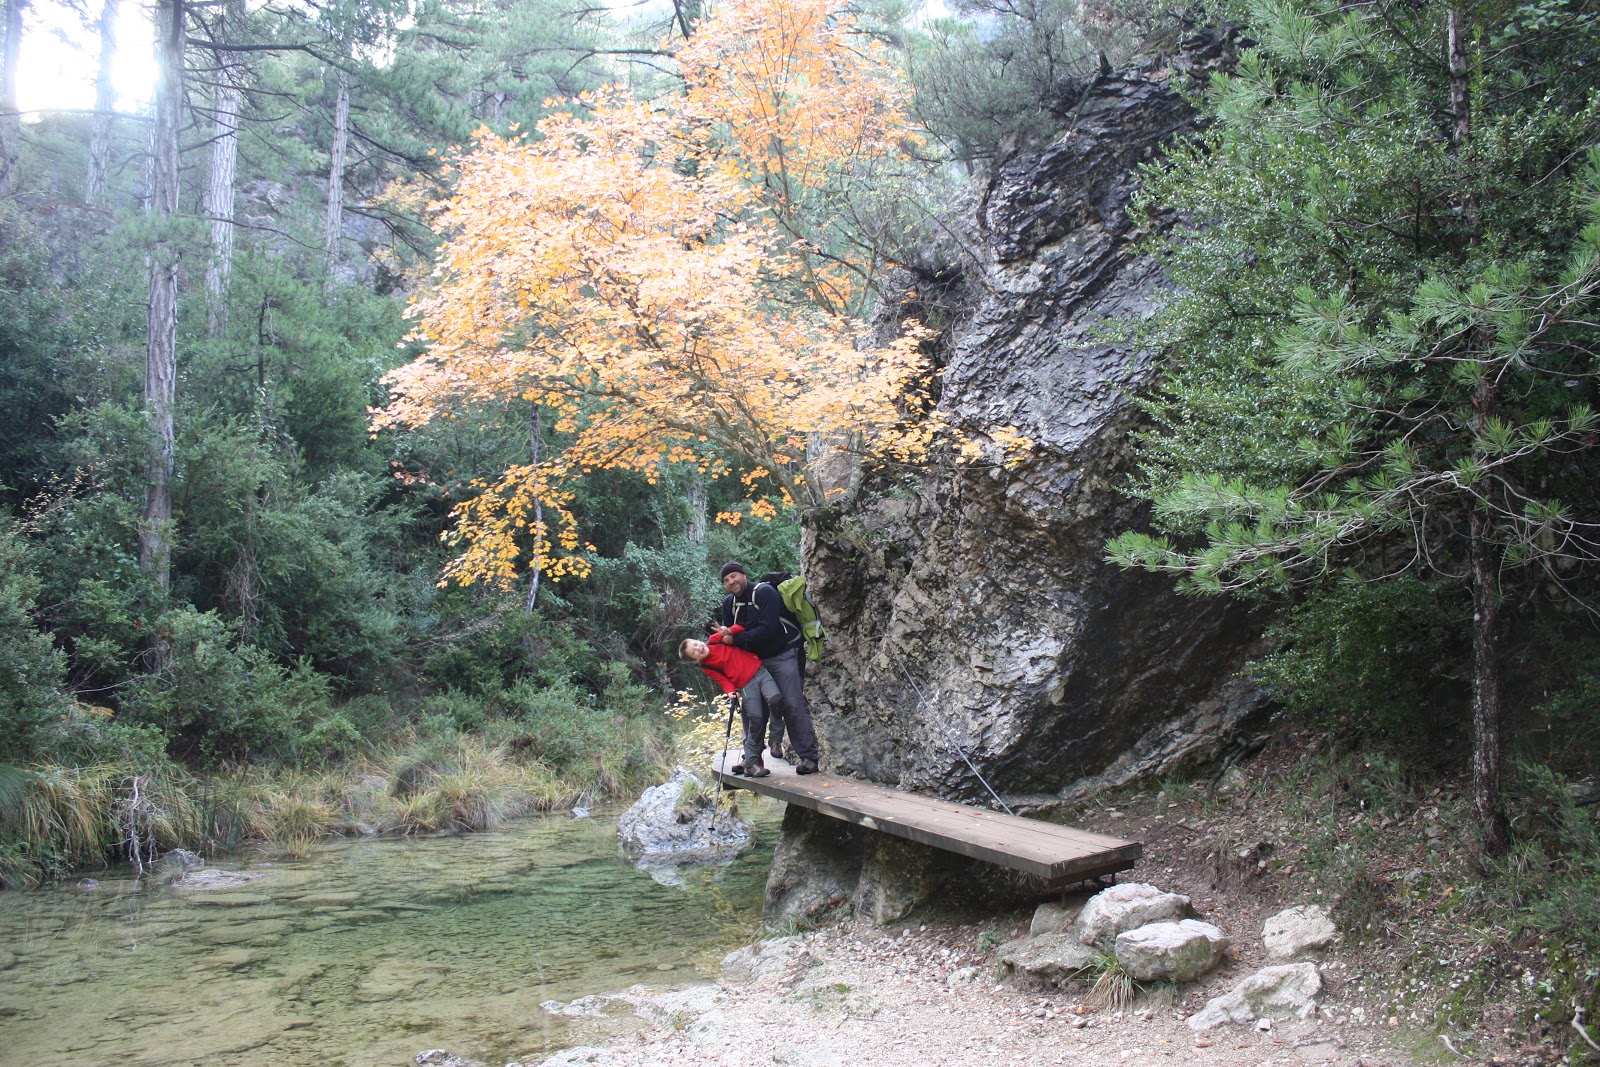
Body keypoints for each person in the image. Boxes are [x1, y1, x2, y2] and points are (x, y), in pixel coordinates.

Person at [715, 562, 821, 774]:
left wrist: (735, 641)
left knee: (792, 704)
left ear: (744, 575)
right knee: (752, 710)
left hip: (782, 655)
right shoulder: (729, 603)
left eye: (734, 576)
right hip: (752, 663)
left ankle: (809, 758)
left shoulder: (764, 592)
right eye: (726, 580)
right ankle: (752, 760)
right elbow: (728, 636)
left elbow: (768, 629)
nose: (731, 582)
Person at [679, 629, 782, 778]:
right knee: (756, 719)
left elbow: (740, 627)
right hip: (746, 685)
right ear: (695, 660)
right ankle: (750, 764)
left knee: (775, 699)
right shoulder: (707, 667)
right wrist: (730, 692)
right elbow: (723, 680)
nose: (698, 648)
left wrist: (728, 630)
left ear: (699, 641)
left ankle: (775, 740)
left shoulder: (714, 639)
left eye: (696, 644)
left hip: (759, 671)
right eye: (694, 652)